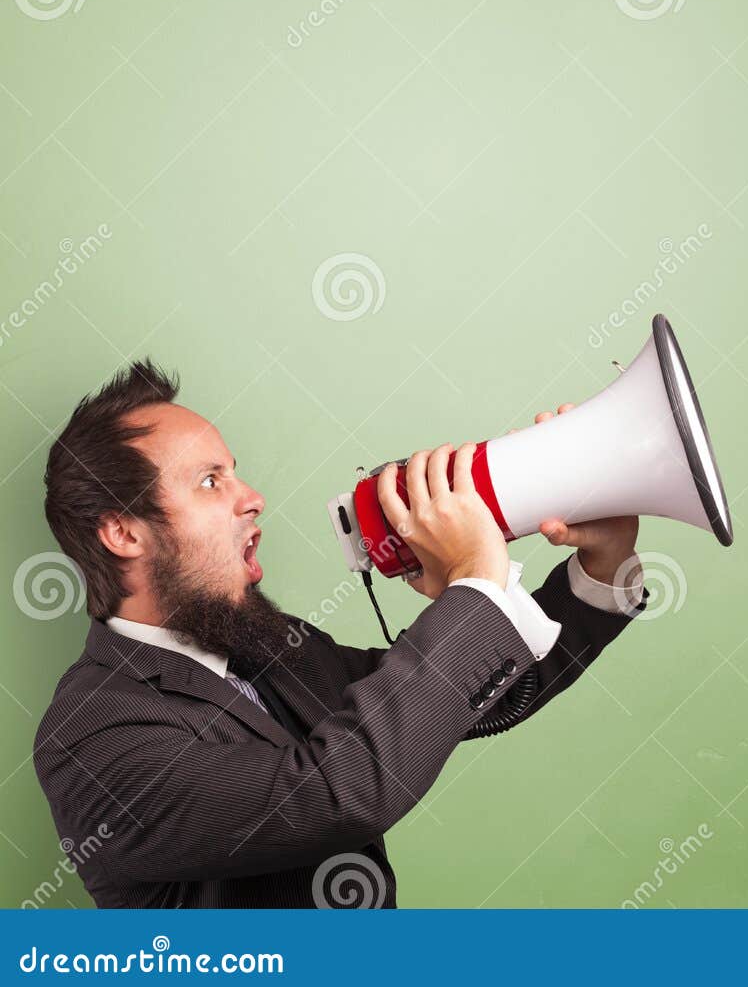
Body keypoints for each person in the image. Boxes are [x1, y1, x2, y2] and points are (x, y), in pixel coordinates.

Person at [32, 358, 650, 907]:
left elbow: (471, 700)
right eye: (210, 481)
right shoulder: (92, 735)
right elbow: (337, 792)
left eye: (234, 474)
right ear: (123, 532)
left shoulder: (276, 649)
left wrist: (604, 565)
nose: (253, 499)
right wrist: (472, 584)